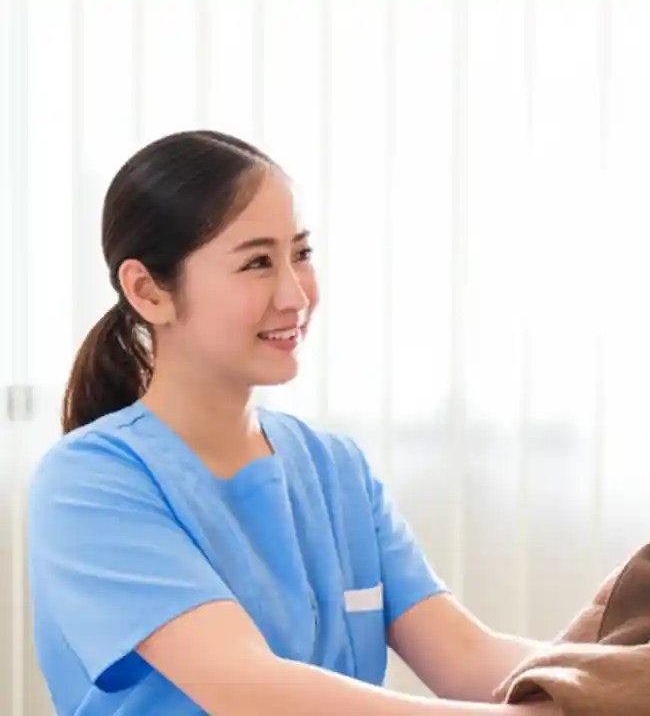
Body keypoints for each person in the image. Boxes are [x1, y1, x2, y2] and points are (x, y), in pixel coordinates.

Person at [26, 130, 561, 716]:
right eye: (257, 263)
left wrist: (627, 676)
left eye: (300, 254)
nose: (295, 295)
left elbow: (467, 656)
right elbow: (254, 691)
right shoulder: (90, 483)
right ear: (149, 291)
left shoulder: (336, 470)